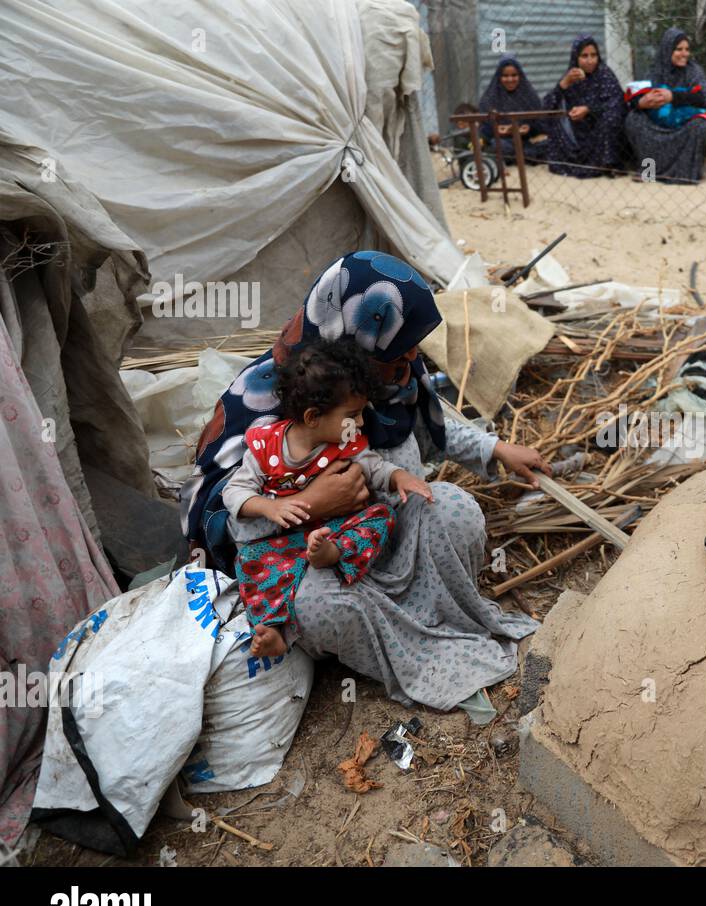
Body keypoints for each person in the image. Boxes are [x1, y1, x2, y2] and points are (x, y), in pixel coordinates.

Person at [179, 251, 553, 712]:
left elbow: (429, 425)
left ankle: (446, 619)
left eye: (412, 344)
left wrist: (496, 449)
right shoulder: (270, 400)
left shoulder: (388, 367)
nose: (413, 357)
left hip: (383, 535)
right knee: (318, 608)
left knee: (453, 509)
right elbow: (216, 514)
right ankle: (407, 652)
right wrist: (312, 503)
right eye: (403, 347)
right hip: (315, 563)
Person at [223, 339, 433, 659]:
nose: (361, 423)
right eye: (354, 414)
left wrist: (398, 477)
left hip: (338, 529)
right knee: (251, 561)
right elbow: (234, 492)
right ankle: (274, 630)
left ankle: (335, 554)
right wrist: (269, 506)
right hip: (290, 543)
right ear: (312, 417)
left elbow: (374, 466)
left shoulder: (346, 442)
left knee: (380, 516)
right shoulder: (266, 448)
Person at [624, 28, 706, 185]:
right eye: (679, 49)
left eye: (687, 49)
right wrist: (641, 102)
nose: (684, 54)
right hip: (658, 121)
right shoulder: (655, 70)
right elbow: (637, 94)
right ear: (667, 50)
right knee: (634, 119)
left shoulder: (693, 71)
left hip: (684, 122)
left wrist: (673, 96)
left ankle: (683, 173)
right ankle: (648, 171)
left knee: (702, 126)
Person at [542, 34, 627, 178]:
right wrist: (564, 84)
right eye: (584, 56)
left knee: (611, 118)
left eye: (593, 55)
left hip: (598, 127)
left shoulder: (604, 74)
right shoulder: (571, 76)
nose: (590, 61)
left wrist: (588, 109)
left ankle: (607, 163)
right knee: (555, 120)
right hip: (576, 130)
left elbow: (616, 102)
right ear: (576, 57)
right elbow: (547, 106)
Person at [477, 56, 549, 164]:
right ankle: (524, 157)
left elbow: (542, 124)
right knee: (497, 146)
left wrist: (529, 129)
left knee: (550, 144)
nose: (510, 79)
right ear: (498, 77)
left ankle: (518, 157)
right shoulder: (489, 98)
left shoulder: (530, 95)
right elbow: (483, 129)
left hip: (525, 142)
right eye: (505, 76)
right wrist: (497, 129)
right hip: (501, 142)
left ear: (520, 76)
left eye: (514, 75)